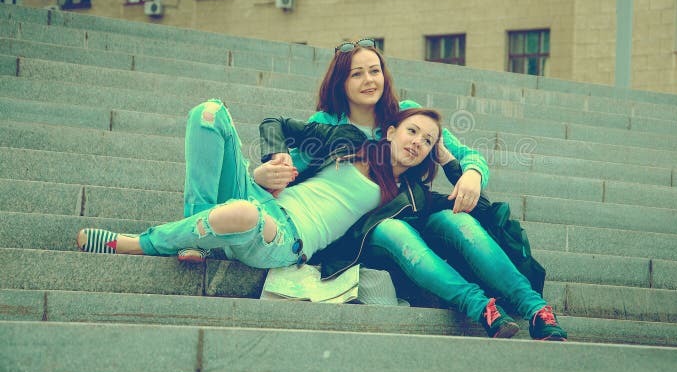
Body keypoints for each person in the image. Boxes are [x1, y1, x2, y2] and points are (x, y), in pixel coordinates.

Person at [259, 39, 565, 341]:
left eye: (375, 71)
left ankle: (537, 310)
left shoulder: (405, 113)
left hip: (411, 208)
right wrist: (269, 170)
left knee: (459, 221)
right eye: (357, 74)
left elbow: (466, 154)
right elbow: (289, 169)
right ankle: (481, 307)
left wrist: (472, 173)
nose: (369, 80)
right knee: (394, 231)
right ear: (341, 82)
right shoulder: (326, 124)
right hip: (362, 231)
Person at [75, 107, 442, 276]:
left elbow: (469, 206)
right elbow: (277, 123)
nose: (418, 142)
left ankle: (139, 243)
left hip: (287, 237)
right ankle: (198, 233)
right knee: (209, 113)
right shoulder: (349, 141)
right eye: (413, 131)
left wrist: (458, 165)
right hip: (262, 195)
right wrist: (274, 157)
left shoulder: (407, 195)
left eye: (428, 142)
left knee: (245, 215)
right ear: (392, 130)